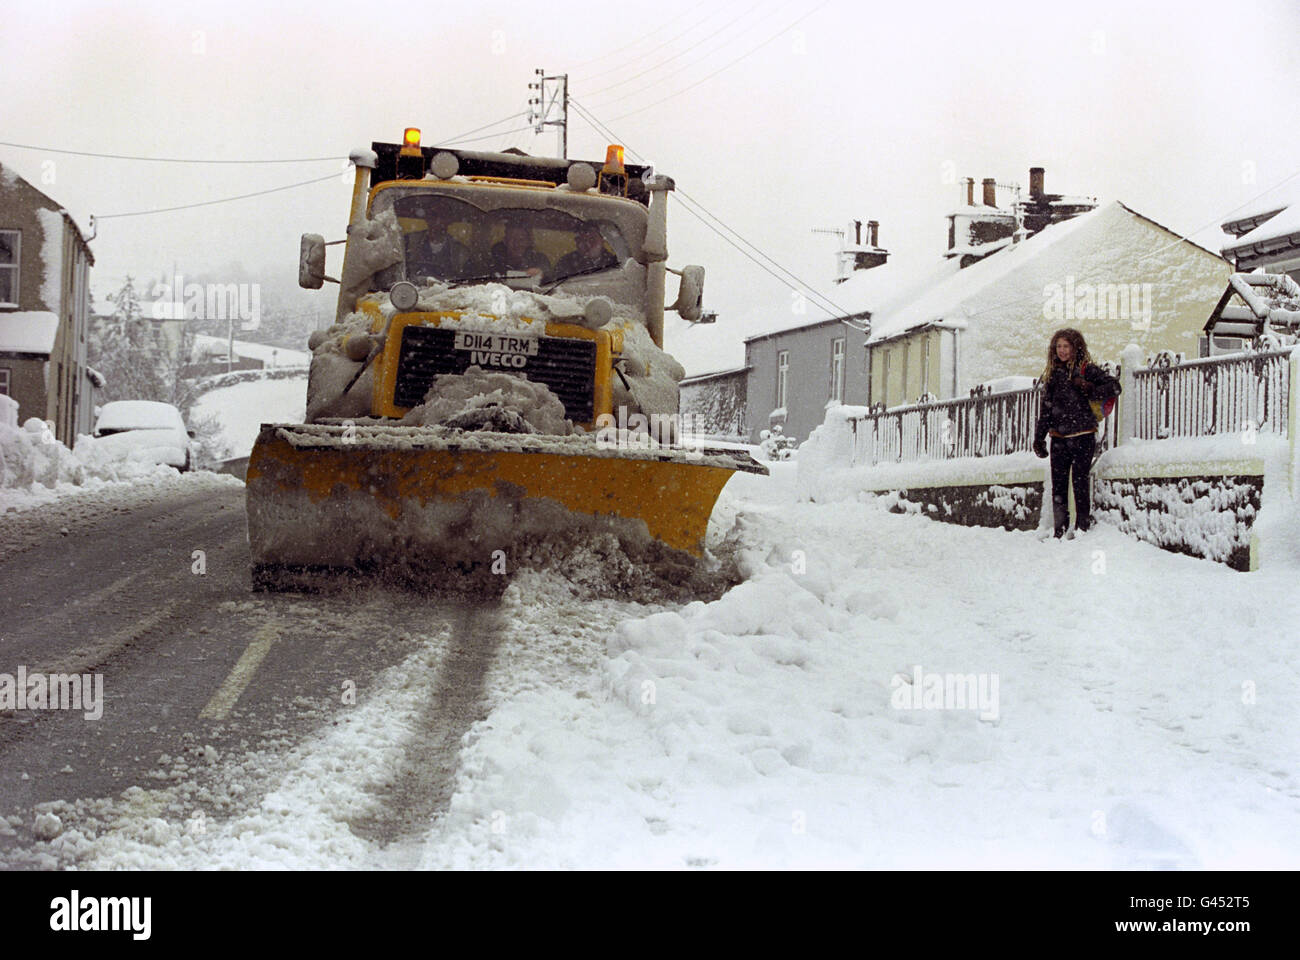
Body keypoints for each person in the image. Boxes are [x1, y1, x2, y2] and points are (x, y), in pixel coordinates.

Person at [1032, 327, 1121, 538]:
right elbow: (1046, 409)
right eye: (1059, 347)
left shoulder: (1086, 369)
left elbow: (1115, 386)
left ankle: (1082, 527)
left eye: (1066, 346)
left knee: (1080, 482)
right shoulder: (1053, 375)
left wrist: (1090, 388)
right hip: (1059, 439)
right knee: (1059, 487)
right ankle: (1059, 531)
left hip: (1083, 435)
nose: (1062, 351)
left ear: (1075, 347)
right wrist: (1039, 438)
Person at [407, 208, 470, 281]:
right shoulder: (410, 242)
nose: (437, 221)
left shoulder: (461, 252)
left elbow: (465, 283)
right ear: (427, 219)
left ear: (449, 221)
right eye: (433, 216)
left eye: (443, 217)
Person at [555, 221, 619, 279]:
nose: (587, 245)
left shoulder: (614, 262)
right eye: (582, 241)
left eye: (592, 239)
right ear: (576, 242)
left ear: (602, 240)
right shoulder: (566, 262)